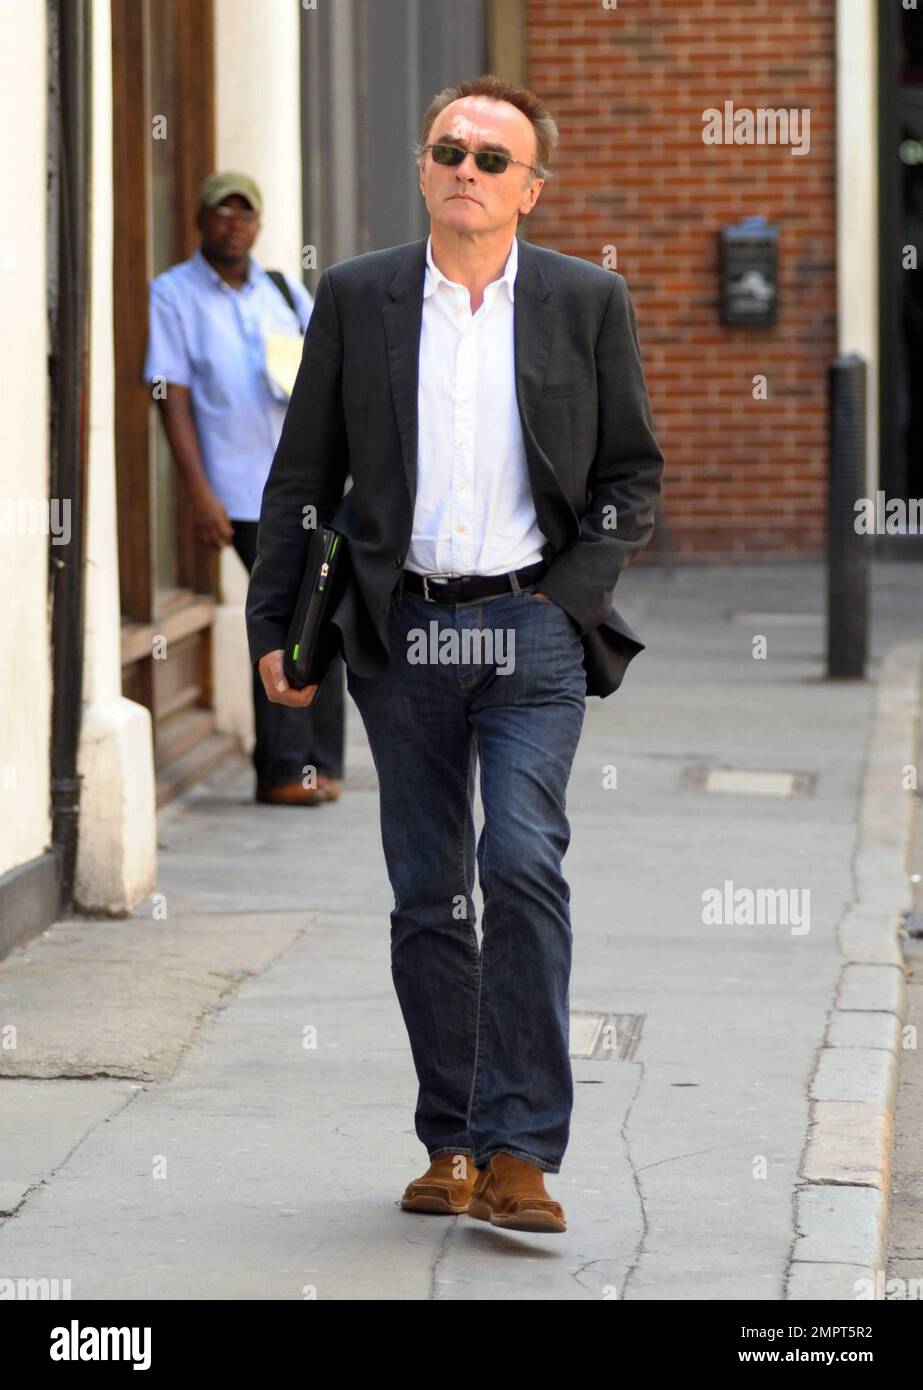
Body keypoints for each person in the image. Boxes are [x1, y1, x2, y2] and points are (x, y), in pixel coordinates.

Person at [245, 75, 665, 1232]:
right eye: (449, 150)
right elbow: (300, 479)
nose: (466, 170)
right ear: (424, 168)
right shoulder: (357, 296)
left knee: (521, 860)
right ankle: (452, 1141)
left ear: (530, 187)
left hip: (529, 625)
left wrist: (570, 599)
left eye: (492, 158)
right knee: (428, 893)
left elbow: (633, 475)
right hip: (402, 627)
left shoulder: (586, 300)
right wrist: (277, 631)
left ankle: (521, 1151)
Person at [143, 170, 345, 807]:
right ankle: (283, 769)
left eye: (245, 213)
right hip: (237, 489)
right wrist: (198, 493)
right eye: (221, 213)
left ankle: (320, 763)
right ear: (201, 221)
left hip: (307, 481)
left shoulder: (283, 291)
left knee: (326, 606)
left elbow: (329, 369)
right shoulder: (173, 294)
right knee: (287, 613)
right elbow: (169, 398)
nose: (234, 224)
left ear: (258, 223)